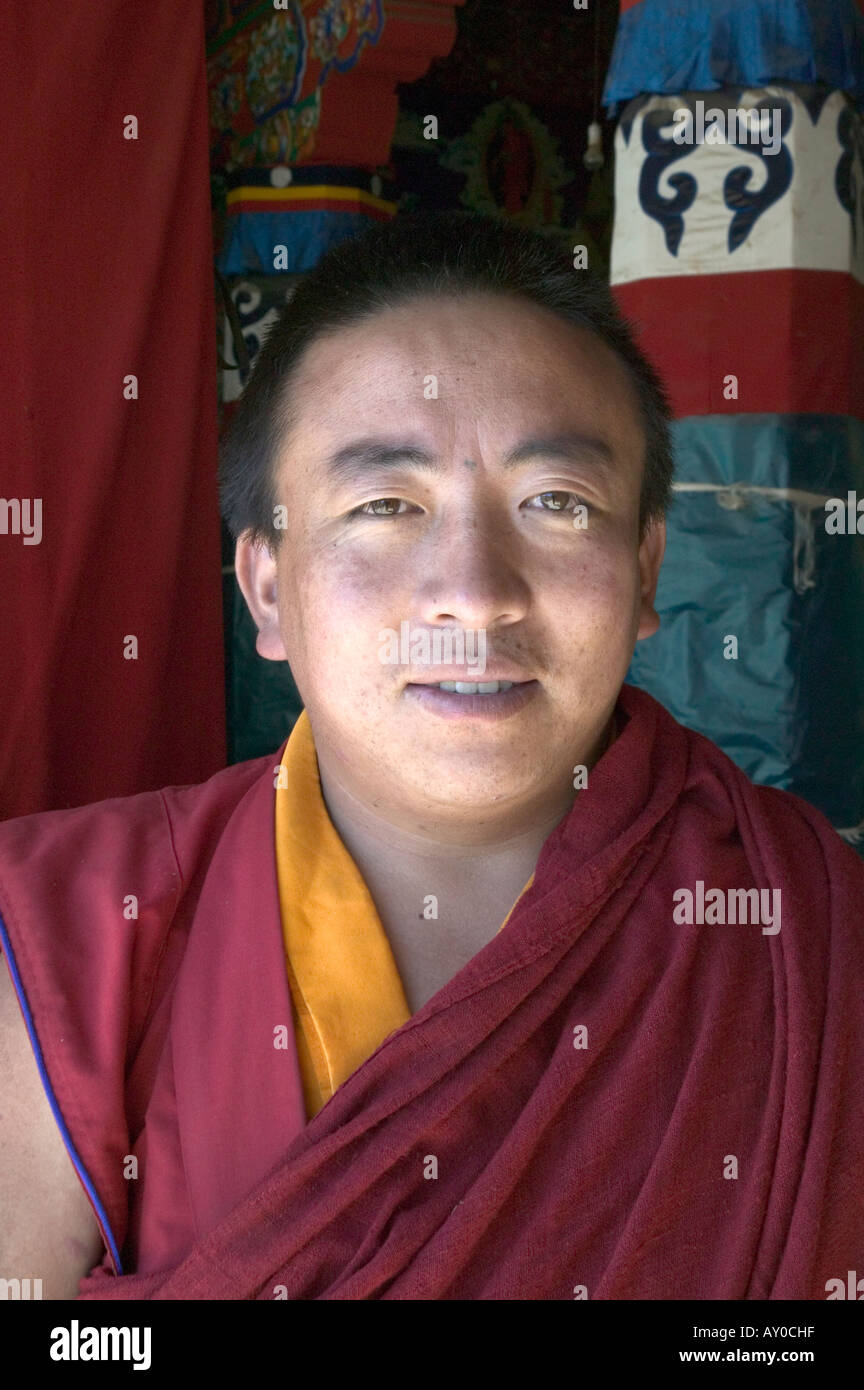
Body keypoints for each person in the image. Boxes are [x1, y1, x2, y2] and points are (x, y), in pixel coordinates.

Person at [1, 211, 862, 1301]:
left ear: (647, 569)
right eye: (384, 504)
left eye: (556, 501)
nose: (474, 589)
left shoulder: (808, 941)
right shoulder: (60, 944)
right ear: (267, 585)